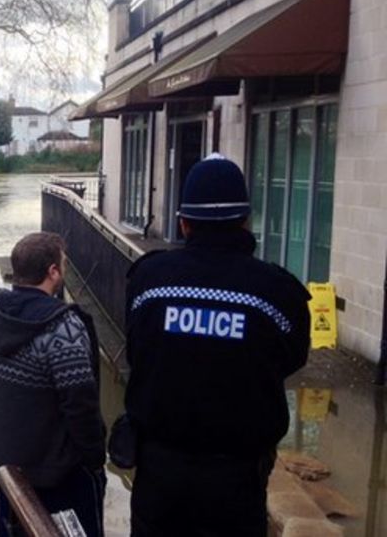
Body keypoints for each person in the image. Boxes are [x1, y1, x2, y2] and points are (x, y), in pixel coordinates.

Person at [124, 154, 310, 536]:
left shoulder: (149, 281)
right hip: (237, 483)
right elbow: (291, 359)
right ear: (245, 221)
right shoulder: (278, 293)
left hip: (160, 478)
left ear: (184, 223)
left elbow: (138, 349)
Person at [0, 232, 107, 537]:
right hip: (59, 476)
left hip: (7, 472)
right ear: (53, 272)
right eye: (63, 264)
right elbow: (81, 408)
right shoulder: (64, 329)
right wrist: (95, 462)